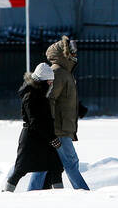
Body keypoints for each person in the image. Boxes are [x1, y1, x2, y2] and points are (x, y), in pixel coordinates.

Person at [27, 35, 91, 191]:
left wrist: (78, 108)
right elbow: (49, 100)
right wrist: (50, 126)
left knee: (44, 164)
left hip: (60, 127)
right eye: (72, 51)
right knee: (71, 162)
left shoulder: (65, 73)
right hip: (59, 128)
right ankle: (83, 192)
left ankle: (31, 193)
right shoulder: (58, 73)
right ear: (65, 53)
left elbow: (63, 99)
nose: (75, 55)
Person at [3, 63, 64, 192]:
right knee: (20, 169)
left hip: (43, 137)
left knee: (56, 166)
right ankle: (6, 192)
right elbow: (36, 121)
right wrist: (51, 137)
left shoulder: (40, 95)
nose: (51, 85)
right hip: (31, 139)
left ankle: (60, 194)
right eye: (49, 82)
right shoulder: (31, 96)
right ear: (42, 82)